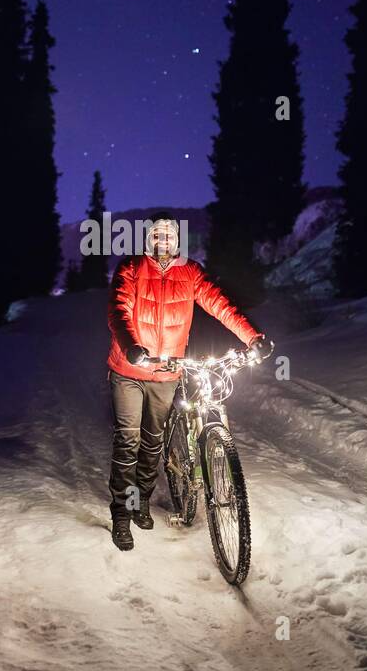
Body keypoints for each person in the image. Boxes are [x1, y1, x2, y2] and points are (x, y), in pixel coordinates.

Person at [105, 214, 273, 550]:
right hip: (130, 370)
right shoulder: (132, 269)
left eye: (169, 233)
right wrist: (132, 347)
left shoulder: (191, 273)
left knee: (153, 442)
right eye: (157, 234)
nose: (163, 239)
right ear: (148, 239)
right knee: (128, 441)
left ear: (177, 239)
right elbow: (118, 309)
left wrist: (253, 337)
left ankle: (141, 502)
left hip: (167, 373)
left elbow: (220, 304)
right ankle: (121, 516)